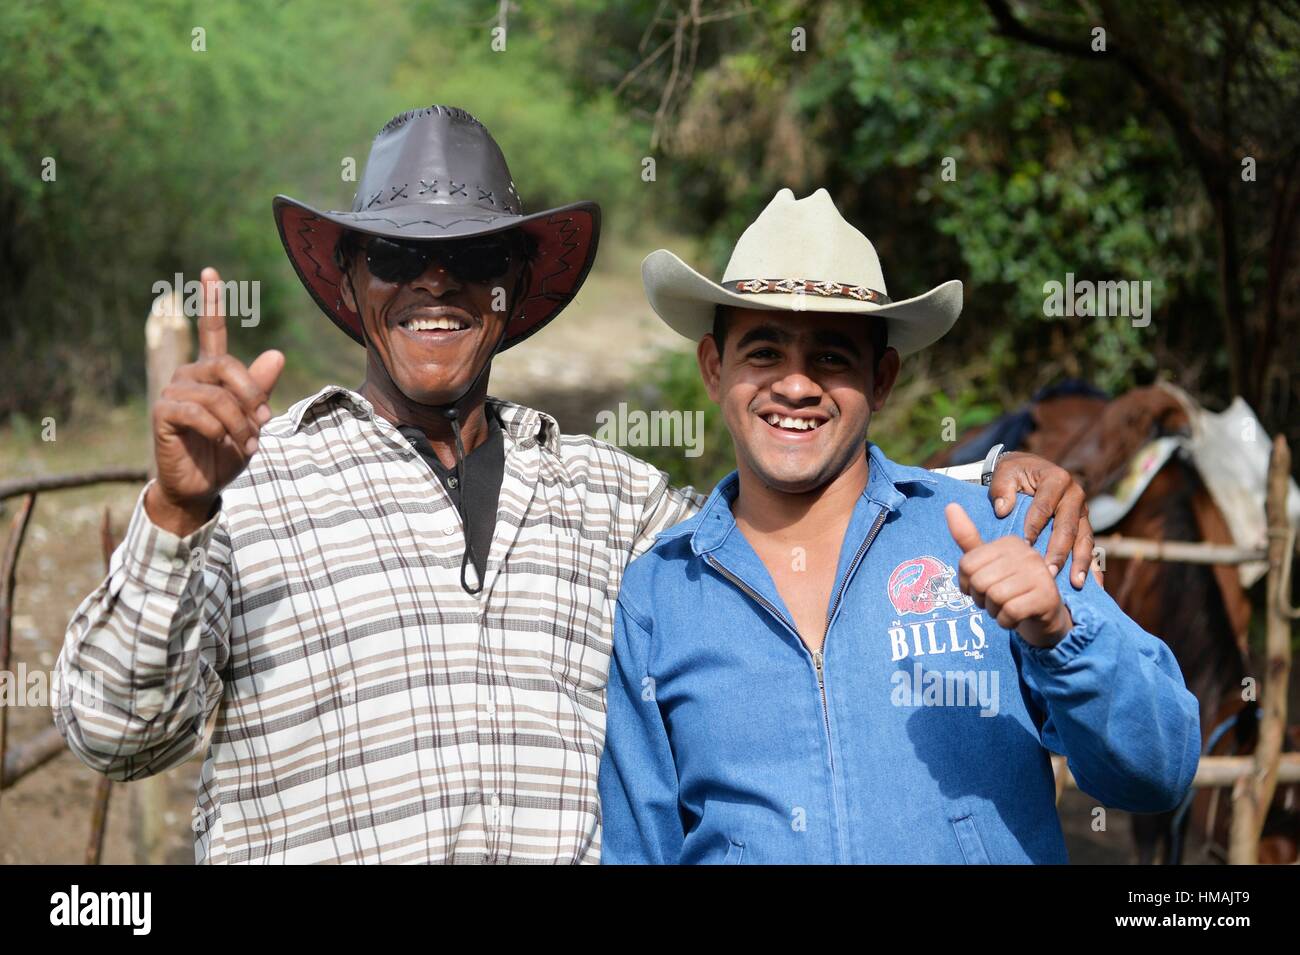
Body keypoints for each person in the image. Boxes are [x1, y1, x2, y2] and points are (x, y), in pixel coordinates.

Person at [53, 108, 1096, 864]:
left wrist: (997, 476)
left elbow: (803, 525)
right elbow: (111, 733)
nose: (435, 282)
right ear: (351, 282)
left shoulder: (615, 502)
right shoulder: (250, 489)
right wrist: (178, 509)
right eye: (398, 255)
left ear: (510, 291)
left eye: (473, 258)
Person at [597, 188, 1200, 864]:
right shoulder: (660, 594)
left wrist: (1059, 637)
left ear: (881, 379)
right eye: (763, 352)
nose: (795, 386)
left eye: (831, 357)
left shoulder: (1000, 527)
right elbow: (636, 848)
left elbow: (1159, 770)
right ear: (715, 369)